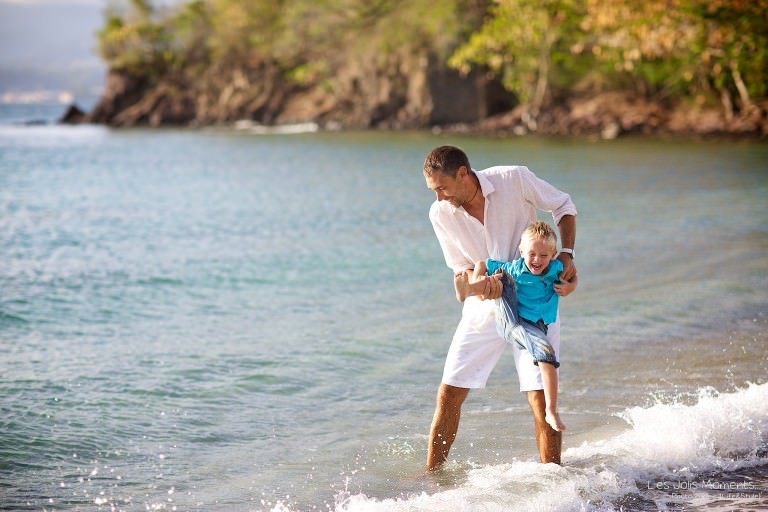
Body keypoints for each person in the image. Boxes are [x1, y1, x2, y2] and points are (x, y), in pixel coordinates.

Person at [423, 145, 577, 471]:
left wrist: (567, 253)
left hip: (533, 308)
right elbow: (461, 268)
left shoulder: (514, 178)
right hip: (483, 308)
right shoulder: (440, 214)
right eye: (433, 190)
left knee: (538, 397)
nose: (439, 197)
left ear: (463, 173)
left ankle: (555, 484)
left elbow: (563, 204)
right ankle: (432, 483)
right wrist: (478, 283)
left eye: (442, 187)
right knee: (449, 393)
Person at [455, 221, 577, 434]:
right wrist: (478, 277)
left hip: (533, 327)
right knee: (502, 277)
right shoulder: (515, 268)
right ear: (521, 251)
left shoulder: (556, 269)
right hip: (509, 318)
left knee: (547, 356)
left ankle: (551, 410)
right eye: (531, 254)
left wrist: (569, 287)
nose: (536, 260)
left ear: (553, 254)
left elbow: (574, 276)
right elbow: (482, 263)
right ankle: (469, 289)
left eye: (543, 255)